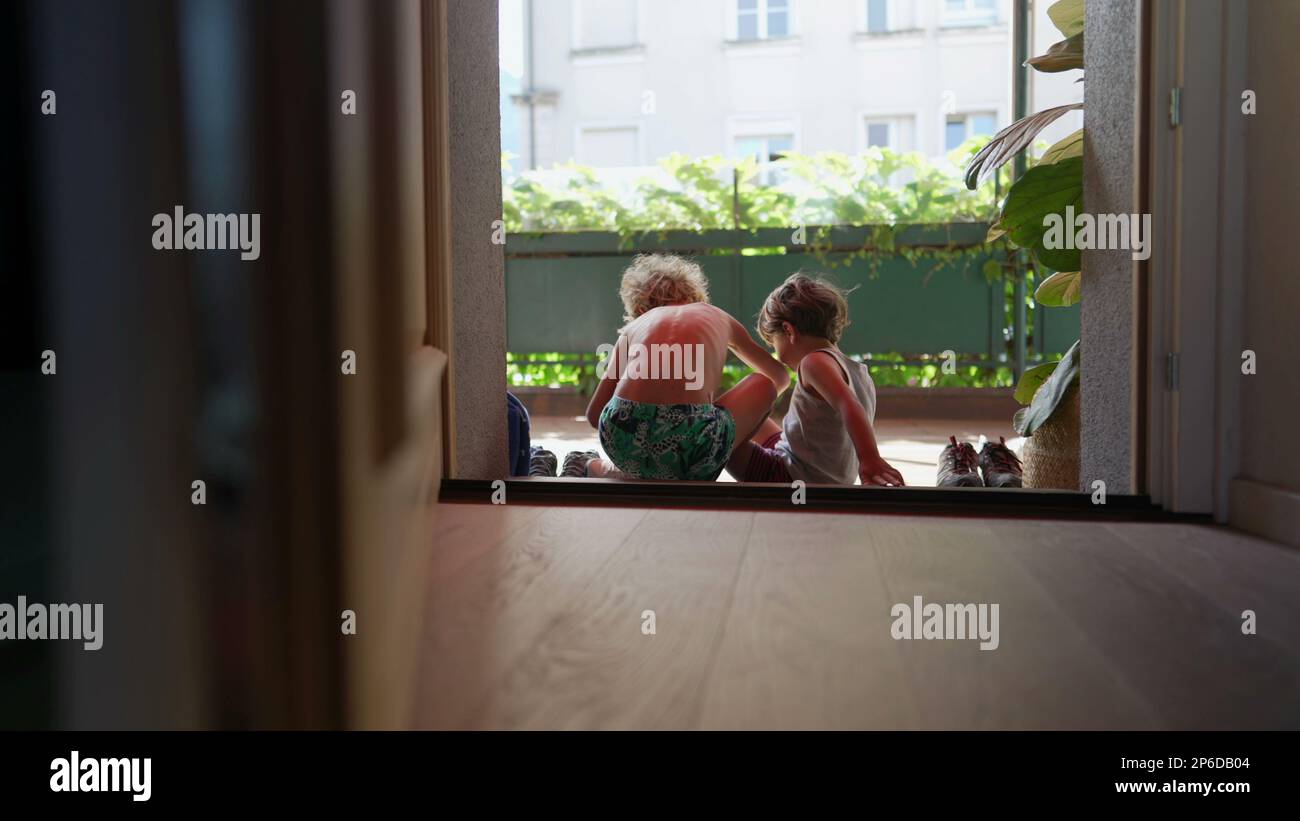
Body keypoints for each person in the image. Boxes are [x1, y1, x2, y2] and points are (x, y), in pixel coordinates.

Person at [568, 254, 790, 480]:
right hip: (693, 447)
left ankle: (601, 467)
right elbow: (779, 377)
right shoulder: (716, 315)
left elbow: (595, 415)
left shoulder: (635, 327)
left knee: (654, 456)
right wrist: (739, 417)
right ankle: (709, 468)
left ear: (638, 307)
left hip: (621, 443)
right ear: (695, 295)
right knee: (761, 385)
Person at [729, 272, 905, 487]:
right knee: (754, 418)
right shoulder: (859, 371)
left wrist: (870, 459)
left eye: (774, 344)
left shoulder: (813, 363)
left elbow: (848, 405)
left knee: (721, 437)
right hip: (823, 473)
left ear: (788, 331)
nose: (778, 356)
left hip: (792, 476)